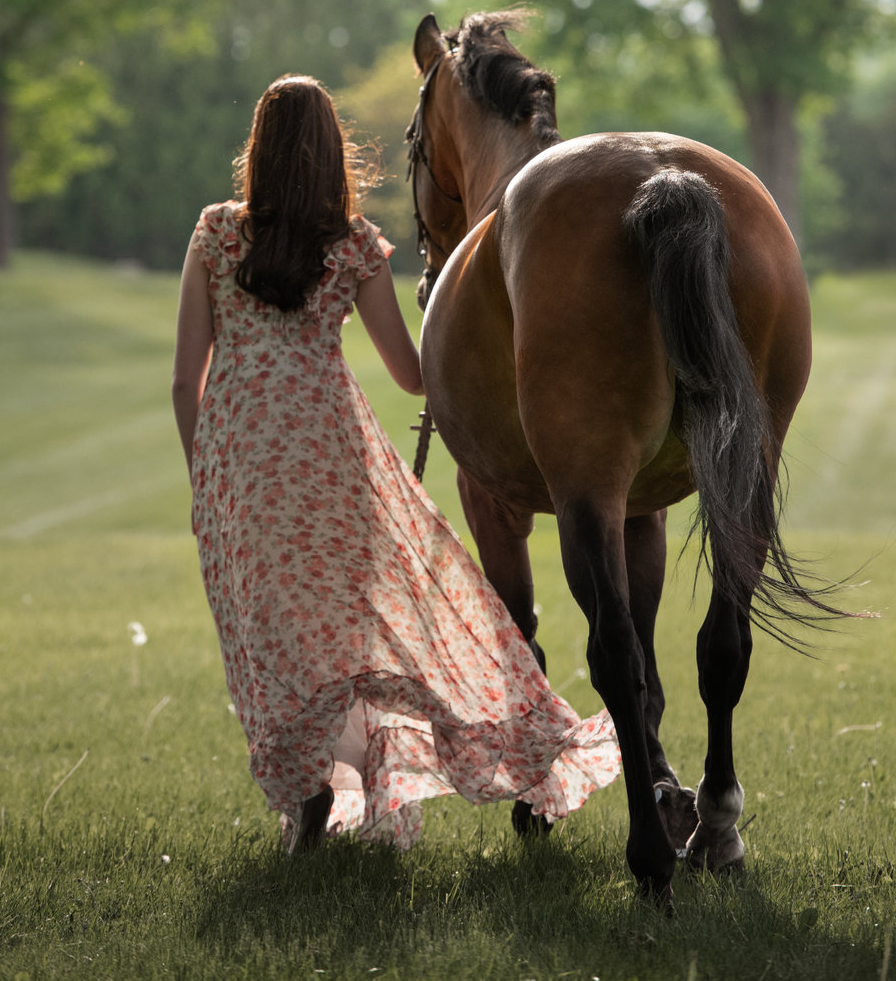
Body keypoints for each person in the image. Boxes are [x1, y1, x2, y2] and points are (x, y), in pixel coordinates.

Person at [171, 73, 619, 852]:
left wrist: (203, 474)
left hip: (240, 461)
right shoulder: (352, 245)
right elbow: (414, 375)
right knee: (351, 627)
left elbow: (186, 379)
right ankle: (365, 776)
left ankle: (307, 787)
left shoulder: (215, 233)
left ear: (258, 147)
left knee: (273, 633)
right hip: (331, 457)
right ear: (331, 152)